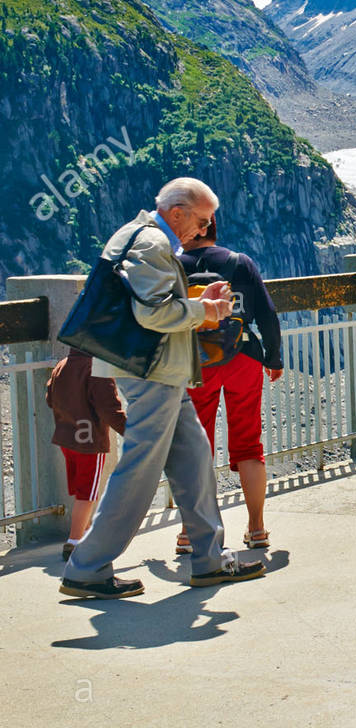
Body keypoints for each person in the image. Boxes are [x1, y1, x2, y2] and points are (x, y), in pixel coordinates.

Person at [60, 178, 266, 599]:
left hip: (160, 370)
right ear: (178, 213)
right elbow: (154, 314)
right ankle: (87, 566)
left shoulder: (140, 235)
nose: (204, 229)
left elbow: (151, 303)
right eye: (202, 219)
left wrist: (196, 301)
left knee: (193, 457)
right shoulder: (153, 243)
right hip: (152, 371)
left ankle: (209, 558)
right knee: (139, 469)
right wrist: (205, 310)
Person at [177, 214, 284, 552]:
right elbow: (267, 314)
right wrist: (273, 358)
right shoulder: (241, 263)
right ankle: (256, 529)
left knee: (195, 447)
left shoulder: (174, 266)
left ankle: (189, 532)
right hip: (244, 357)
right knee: (249, 444)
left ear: (199, 227)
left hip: (196, 362)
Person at [45, 348, 125, 561]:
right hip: (89, 439)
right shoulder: (97, 367)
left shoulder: (62, 365)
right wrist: (132, 430)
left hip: (66, 436)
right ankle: (74, 542)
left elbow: (50, 398)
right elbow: (109, 408)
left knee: (80, 490)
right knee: (88, 493)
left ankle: (85, 532)